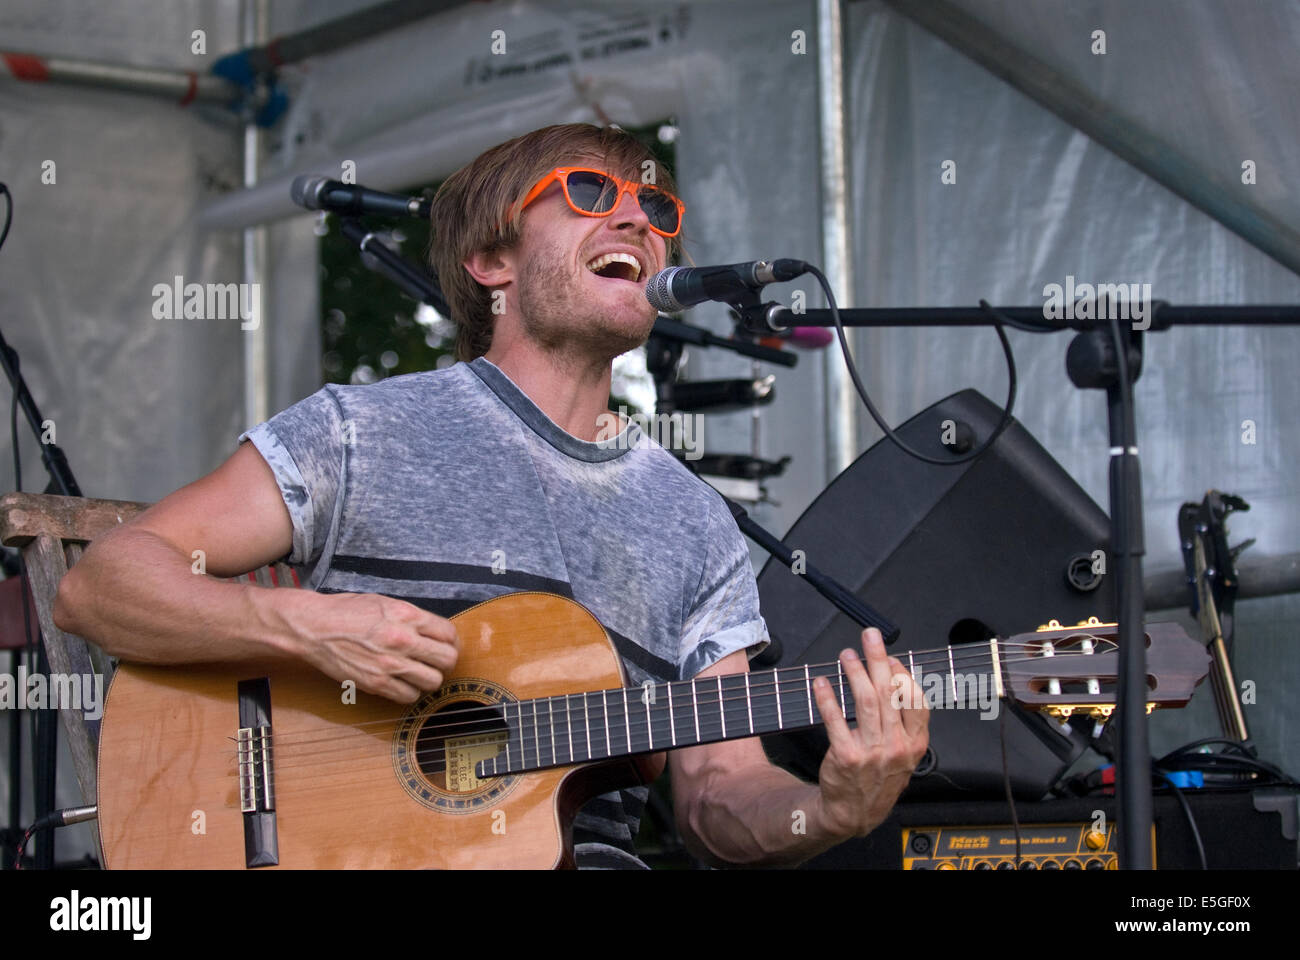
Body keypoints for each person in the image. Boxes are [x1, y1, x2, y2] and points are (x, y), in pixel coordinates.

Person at [54, 122, 928, 868]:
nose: (637, 216)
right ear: (490, 260)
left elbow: (718, 795)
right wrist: (308, 627)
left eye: (657, 211)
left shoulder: (694, 522)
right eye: (590, 192)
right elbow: (101, 585)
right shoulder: (363, 432)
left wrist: (834, 809)